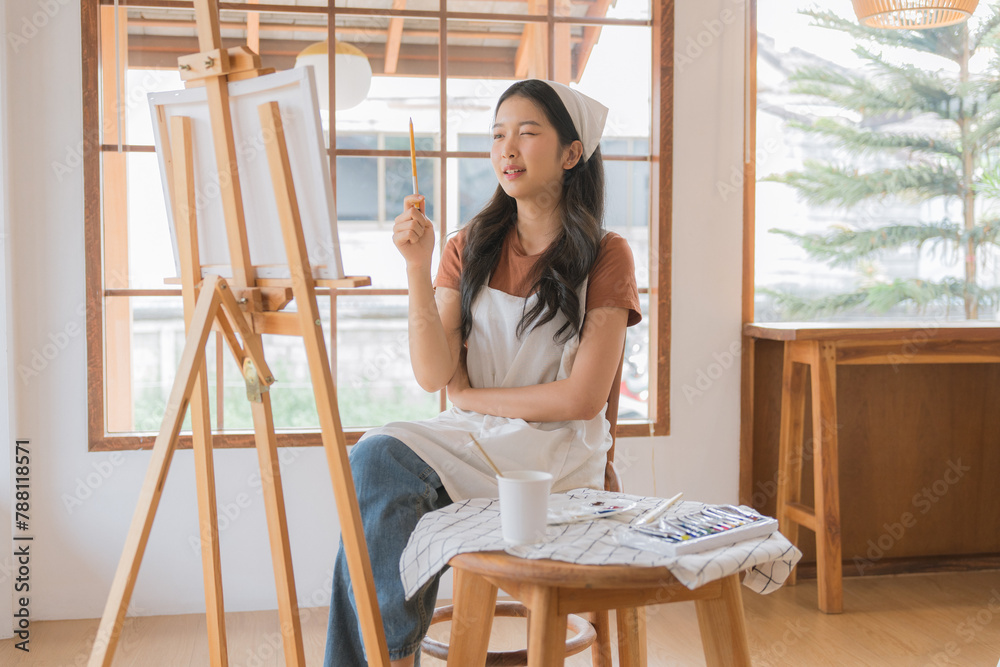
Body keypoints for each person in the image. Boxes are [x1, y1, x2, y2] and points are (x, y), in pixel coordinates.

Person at [324, 79, 642, 667]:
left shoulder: (606, 252)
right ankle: (389, 654)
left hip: (555, 458)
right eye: (497, 135)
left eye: (527, 133)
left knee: (375, 482)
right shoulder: (467, 245)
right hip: (475, 442)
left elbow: (581, 399)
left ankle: (386, 658)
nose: (507, 149)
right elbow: (433, 375)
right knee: (372, 461)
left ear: (571, 154)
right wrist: (417, 270)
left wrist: (473, 398)